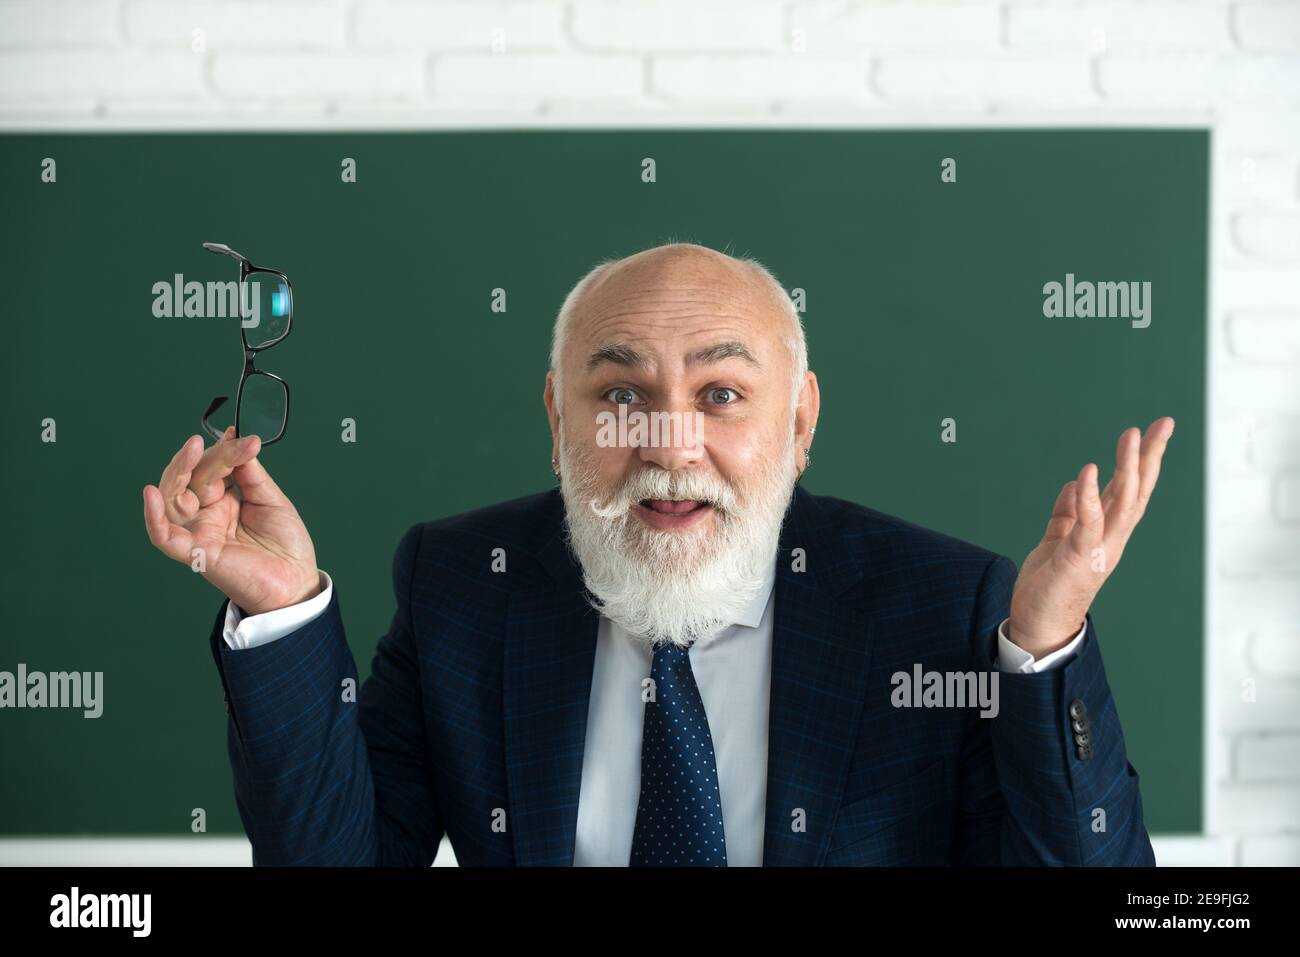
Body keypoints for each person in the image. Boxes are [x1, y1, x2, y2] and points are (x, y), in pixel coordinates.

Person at [143, 242, 1170, 866]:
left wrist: (1041, 646)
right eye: (619, 396)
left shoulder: (942, 607)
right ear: (557, 418)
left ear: (799, 422)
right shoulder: (462, 588)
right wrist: (285, 613)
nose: (668, 446)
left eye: (720, 395)